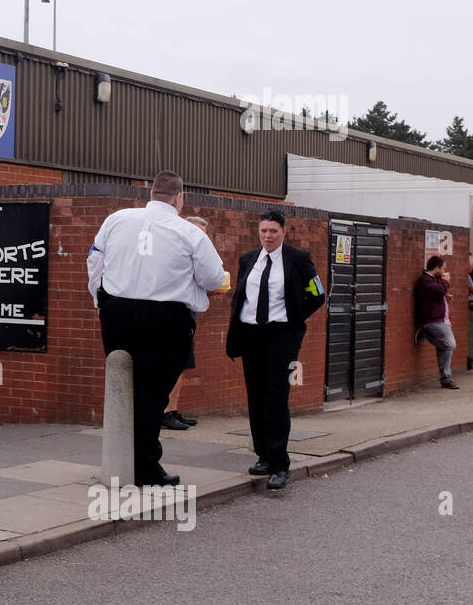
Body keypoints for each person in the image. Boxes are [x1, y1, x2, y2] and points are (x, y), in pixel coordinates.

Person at [87, 171, 225, 486]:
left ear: (151, 194)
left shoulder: (117, 219)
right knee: (152, 394)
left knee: (124, 387)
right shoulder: (189, 232)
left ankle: (121, 461)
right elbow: (214, 279)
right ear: (179, 197)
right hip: (165, 318)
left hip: (116, 312)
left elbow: (94, 261)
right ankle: (145, 467)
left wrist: (101, 302)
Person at [225, 210, 326, 490]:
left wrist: (294, 318)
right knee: (255, 395)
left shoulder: (298, 259)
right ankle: (264, 456)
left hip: (281, 335)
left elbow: (317, 294)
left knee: (276, 396)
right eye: (264, 231)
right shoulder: (248, 259)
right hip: (251, 334)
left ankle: (280, 463)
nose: (268, 236)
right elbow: (241, 296)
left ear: (284, 231)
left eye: (273, 231)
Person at [162, 215, 216, 430]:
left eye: (203, 234)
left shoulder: (197, 256)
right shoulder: (175, 254)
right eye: (196, 232)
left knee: (184, 364)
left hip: (189, 313)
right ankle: (164, 411)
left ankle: (173, 409)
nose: (199, 238)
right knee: (174, 364)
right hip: (174, 314)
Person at [414, 255, 460, 390]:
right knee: (450, 345)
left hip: (442, 320)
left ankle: (446, 379)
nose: (445, 272)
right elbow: (439, 290)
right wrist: (446, 281)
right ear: (437, 268)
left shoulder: (434, 280)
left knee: (445, 349)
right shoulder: (425, 281)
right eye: (443, 269)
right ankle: (425, 333)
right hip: (433, 320)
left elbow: (439, 293)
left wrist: (445, 296)